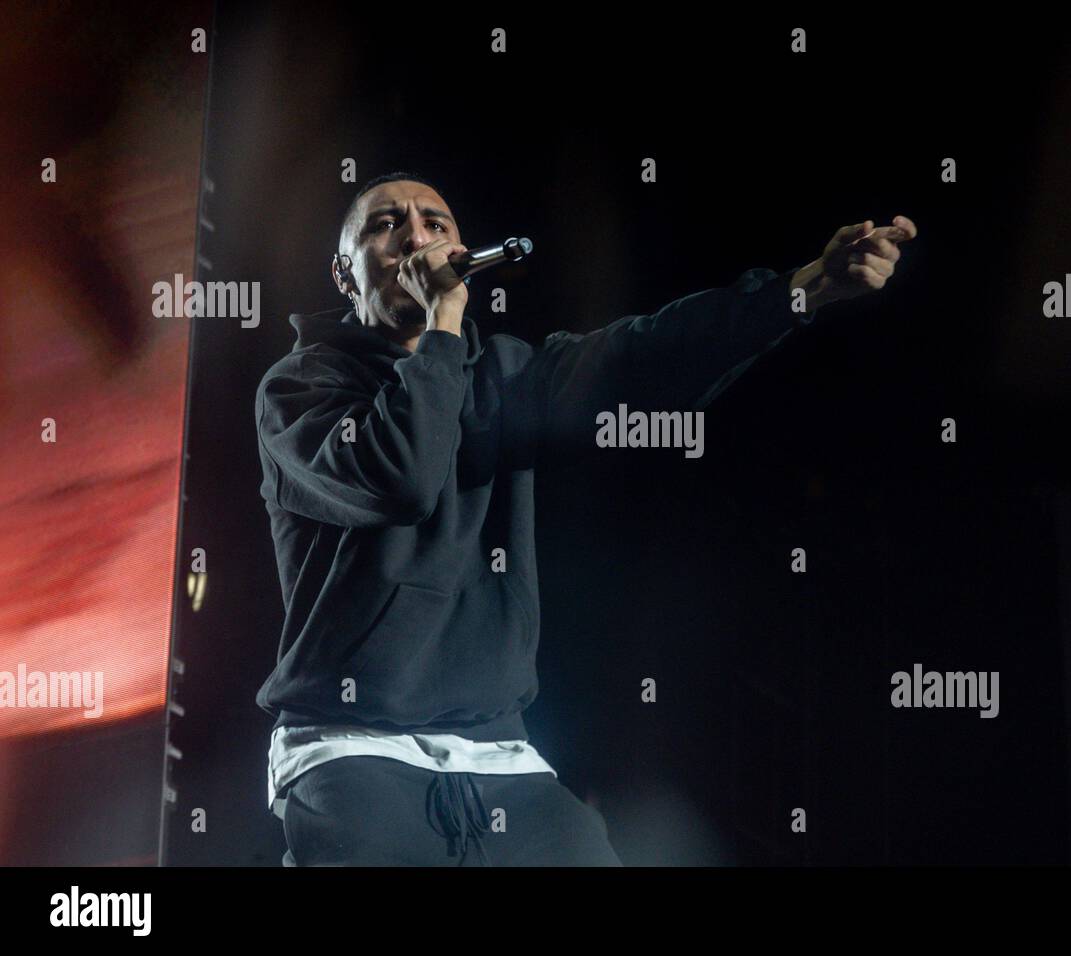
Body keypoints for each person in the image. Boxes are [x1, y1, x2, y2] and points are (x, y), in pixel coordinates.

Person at [254, 171, 916, 866]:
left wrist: (800, 290)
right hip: (351, 750)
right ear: (342, 271)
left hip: (502, 755)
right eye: (387, 224)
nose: (418, 237)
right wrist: (442, 328)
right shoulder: (301, 389)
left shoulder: (506, 374)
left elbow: (642, 354)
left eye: (436, 223)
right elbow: (402, 479)